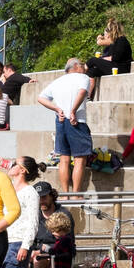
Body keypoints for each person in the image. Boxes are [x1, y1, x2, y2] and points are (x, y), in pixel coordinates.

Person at [37, 58, 93, 196]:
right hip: (76, 120)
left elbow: (41, 98)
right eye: (82, 65)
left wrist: (57, 109)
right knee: (80, 159)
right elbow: (82, 92)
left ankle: (65, 193)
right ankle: (75, 194)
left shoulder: (58, 81)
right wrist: (73, 110)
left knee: (64, 158)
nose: (84, 68)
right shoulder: (83, 77)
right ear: (75, 66)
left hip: (60, 121)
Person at [0, 157, 41, 268]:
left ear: (22, 170)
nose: (11, 165)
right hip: (2, 239)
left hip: (18, 240)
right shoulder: (8, 188)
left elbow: (33, 222)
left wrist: (25, 245)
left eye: (15, 163)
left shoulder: (30, 192)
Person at [29, 181, 76, 268]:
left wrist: (45, 251)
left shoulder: (63, 215)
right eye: (38, 198)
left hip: (57, 257)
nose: (41, 201)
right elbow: (29, 238)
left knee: (38, 261)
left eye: (44, 197)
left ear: (51, 195)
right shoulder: (34, 214)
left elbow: (69, 245)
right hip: (36, 251)